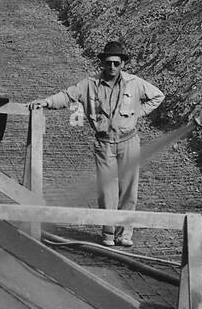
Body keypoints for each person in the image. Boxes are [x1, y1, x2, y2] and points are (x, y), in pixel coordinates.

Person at [31, 41, 165, 248]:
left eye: (116, 63)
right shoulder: (89, 84)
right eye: (108, 63)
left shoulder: (134, 83)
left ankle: (125, 233)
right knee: (107, 190)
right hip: (104, 144)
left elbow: (158, 96)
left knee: (129, 189)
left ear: (122, 64)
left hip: (129, 141)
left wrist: (138, 113)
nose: (112, 67)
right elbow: (67, 96)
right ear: (102, 63)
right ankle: (109, 232)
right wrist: (46, 102)